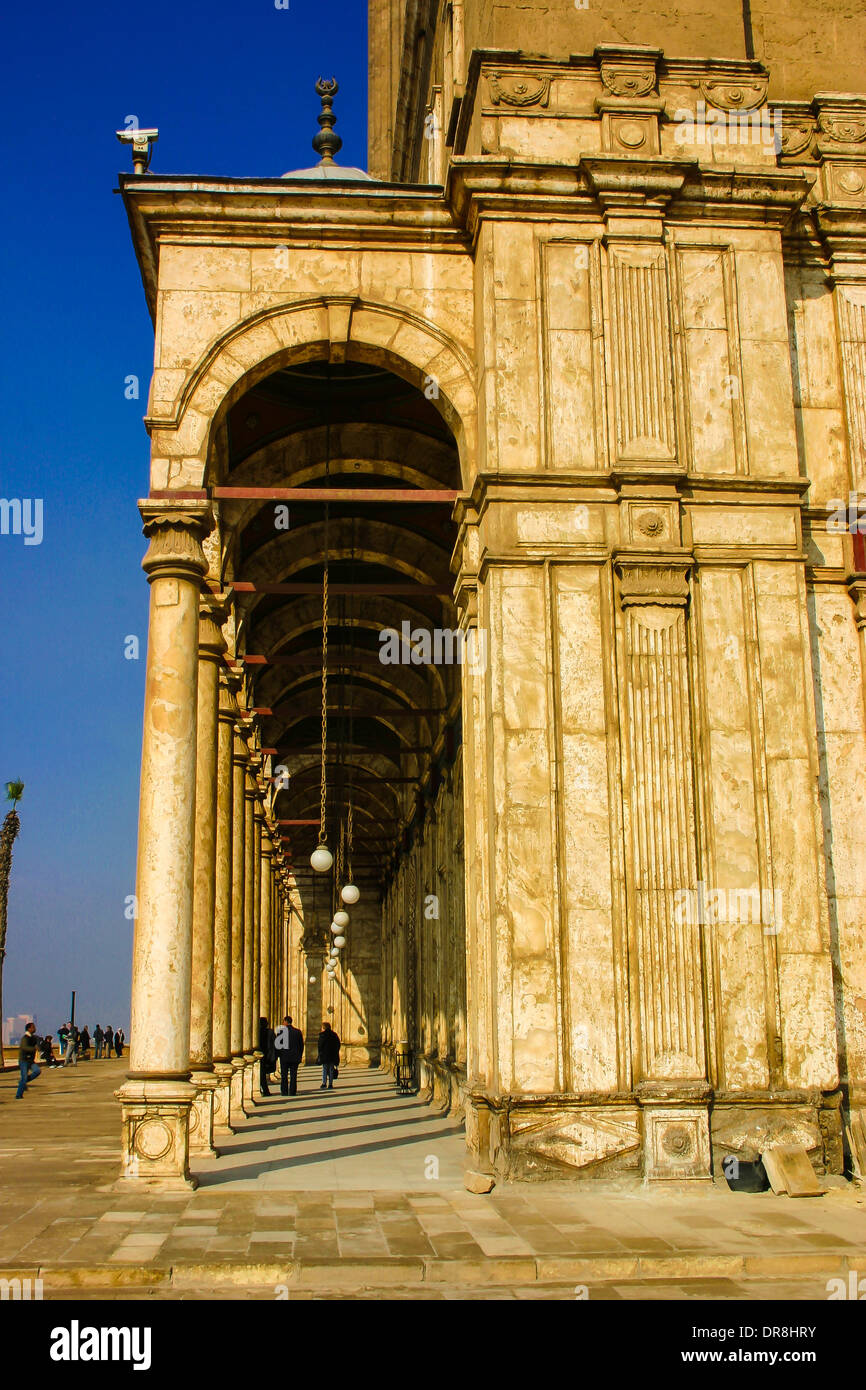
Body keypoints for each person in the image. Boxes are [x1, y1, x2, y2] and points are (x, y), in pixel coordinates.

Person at [277, 1015, 304, 1097]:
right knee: (293, 1075)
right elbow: (301, 1045)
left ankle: (284, 1091)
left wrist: (279, 1054)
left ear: (285, 1022)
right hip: (295, 1057)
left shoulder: (281, 1032)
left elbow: (278, 1045)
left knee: (284, 1075)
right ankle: (292, 1091)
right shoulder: (297, 1032)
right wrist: (299, 1055)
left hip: (284, 1057)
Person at [15, 1022, 42, 1099]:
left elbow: (38, 1047)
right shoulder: (25, 1038)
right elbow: (24, 1047)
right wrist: (34, 1048)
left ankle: (22, 1082)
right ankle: (18, 1095)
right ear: (29, 1029)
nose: (35, 1028)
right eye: (33, 1027)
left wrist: (38, 1045)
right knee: (24, 1077)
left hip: (30, 1061)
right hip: (24, 1060)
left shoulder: (34, 1038)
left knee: (37, 1071)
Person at [317, 1022, 340, 1090]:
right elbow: (338, 1044)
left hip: (325, 1055)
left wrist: (320, 1053)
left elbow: (320, 1046)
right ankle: (330, 1084)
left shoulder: (322, 1035)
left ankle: (324, 1083)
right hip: (333, 1055)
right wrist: (336, 1052)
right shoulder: (334, 1035)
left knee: (324, 1069)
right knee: (331, 1069)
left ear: (324, 1028)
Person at [258, 1016, 276, 1096]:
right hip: (268, 1055)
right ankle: (265, 1090)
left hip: (261, 1054)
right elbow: (275, 1044)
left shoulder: (257, 1032)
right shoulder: (270, 1032)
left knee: (261, 1074)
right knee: (262, 1074)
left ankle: (264, 1090)